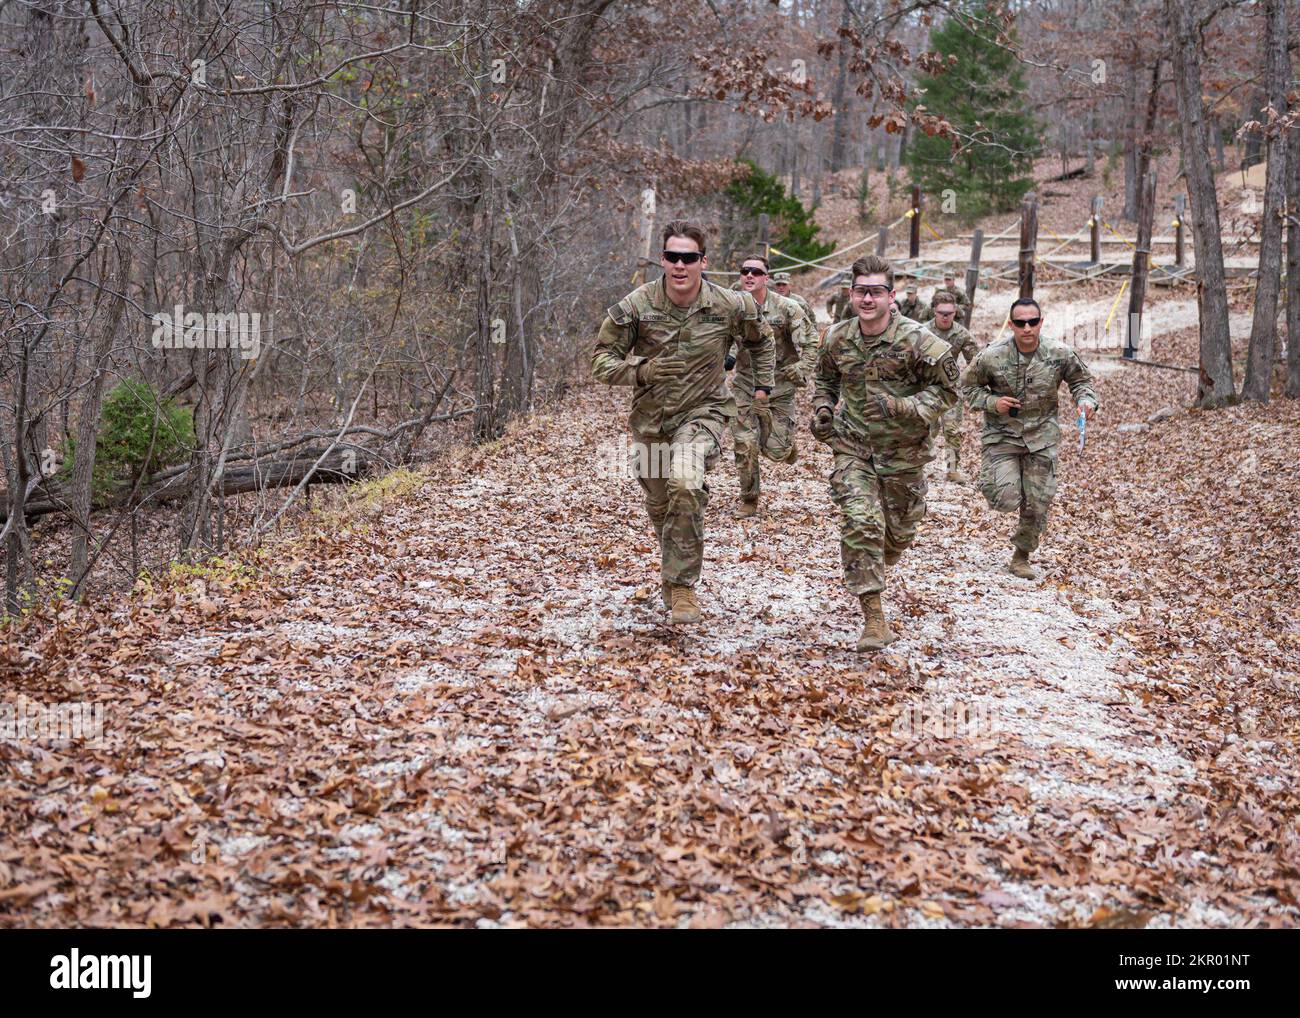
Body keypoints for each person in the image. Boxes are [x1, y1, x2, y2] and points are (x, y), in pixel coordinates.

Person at [592, 220, 775, 623]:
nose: (680, 265)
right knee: (661, 503)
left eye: (688, 258)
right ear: (662, 260)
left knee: (686, 484)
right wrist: (642, 371)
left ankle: (682, 587)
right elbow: (600, 361)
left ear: (702, 261)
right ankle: (672, 571)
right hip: (651, 421)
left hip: (704, 413)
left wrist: (763, 386)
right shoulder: (637, 306)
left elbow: (762, 340)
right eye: (672, 257)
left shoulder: (730, 304)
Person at [811, 255, 959, 651]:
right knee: (861, 522)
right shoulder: (837, 337)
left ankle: (881, 556)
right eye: (861, 291)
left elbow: (948, 391)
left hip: (904, 455)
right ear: (851, 294)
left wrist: (904, 407)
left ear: (891, 296)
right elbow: (825, 378)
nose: (868, 299)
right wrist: (824, 409)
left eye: (876, 291)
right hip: (853, 449)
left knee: (897, 536)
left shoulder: (919, 340)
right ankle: (874, 618)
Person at [961, 297, 1099, 579]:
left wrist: (1086, 401)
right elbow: (966, 388)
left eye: (1032, 322)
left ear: (1041, 323)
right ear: (1011, 324)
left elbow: (1081, 381)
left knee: (1038, 501)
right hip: (1002, 437)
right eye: (1020, 322)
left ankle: (1021, 556)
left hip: (1042, 437)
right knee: (1006, 498)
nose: (1027, 328)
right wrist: (992, 403)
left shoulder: (1059, 353)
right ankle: (1000, 482)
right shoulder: (992, 356)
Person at [729, 255, 818, 516]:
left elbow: (812, 342)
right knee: (745, 443)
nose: (749, 276)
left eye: (756, 272)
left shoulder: (787, 307)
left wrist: (802, 368)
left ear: (766, 278)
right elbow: (722, 338)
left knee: (776, 451)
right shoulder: (734, 307)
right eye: (745, 271)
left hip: (780, 386)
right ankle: (749, 498)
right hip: (746, 383)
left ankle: (786, 446)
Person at [926, 291, 980, 483]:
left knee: (952, 431)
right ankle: (920, 466)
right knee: (925, 430)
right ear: (935, 311)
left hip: (950, 391)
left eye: (949, 312)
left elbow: (975, 362)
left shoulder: (961, 334)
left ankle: (951, 469)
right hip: (926, 390)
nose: (945, 316)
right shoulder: (922, 331)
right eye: (942, 312)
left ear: (955, 312)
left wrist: (963, 379)